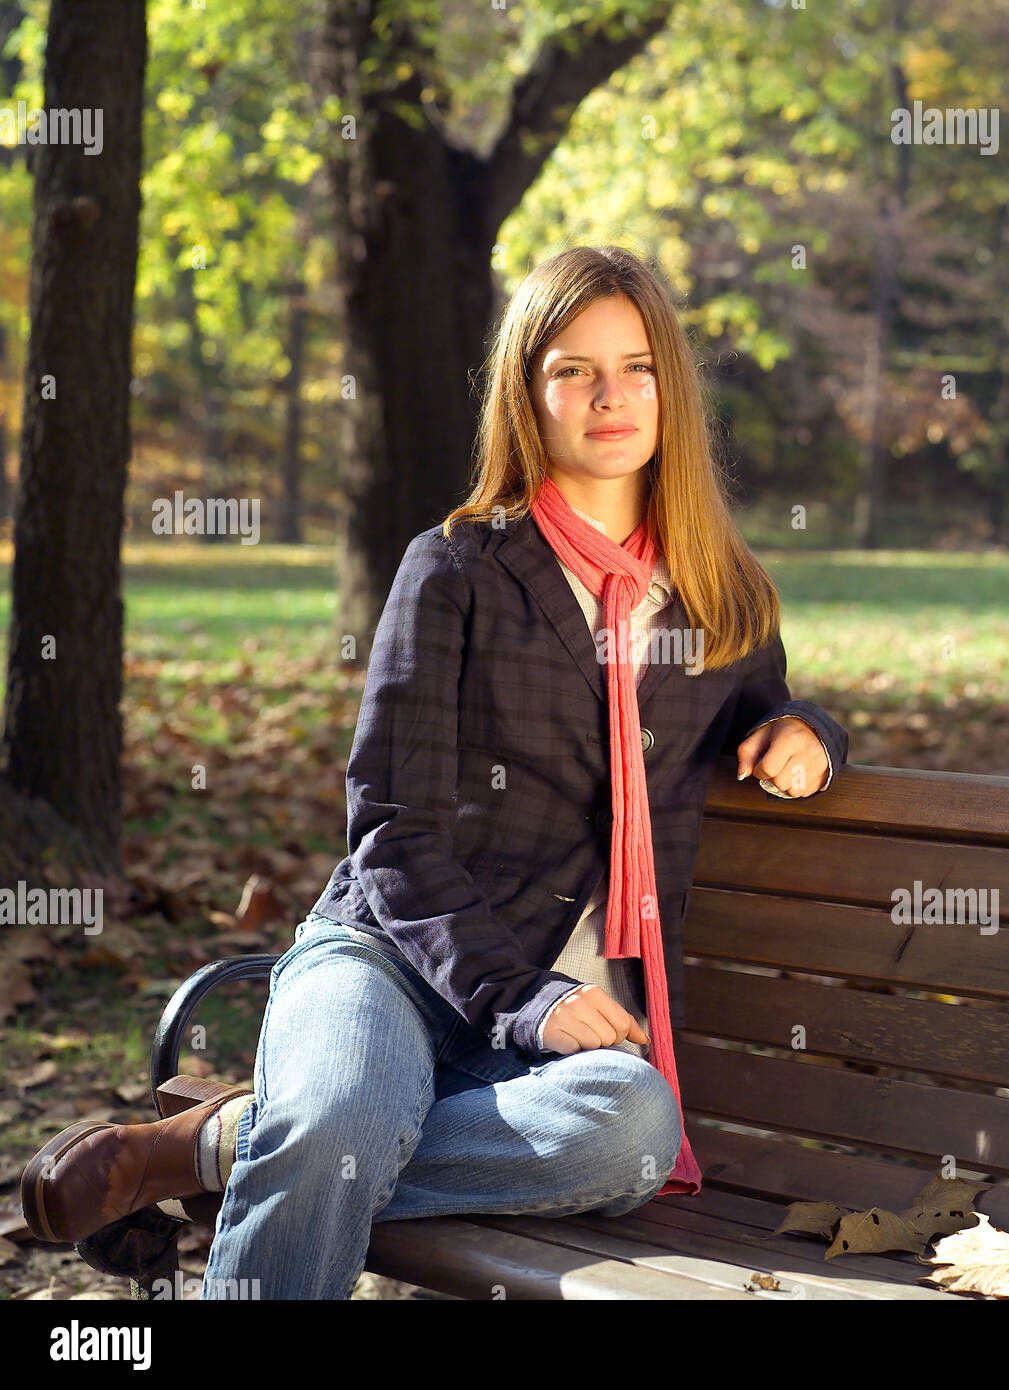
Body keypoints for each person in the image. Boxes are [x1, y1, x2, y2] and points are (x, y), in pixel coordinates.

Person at [22, 244, 849, 1299]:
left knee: (633, 1128)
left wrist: (806, 730)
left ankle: (217, 1146)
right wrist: (522, 997)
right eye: (572, 370)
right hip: (393, 960)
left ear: (671, 390)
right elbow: (394, 830)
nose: (610, 396)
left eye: (636, 367)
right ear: (527, 393)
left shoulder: (719, 595)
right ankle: (299, 1135)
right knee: (333, 1116)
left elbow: (768, 704)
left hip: (558, 1047)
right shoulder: (456, 567)